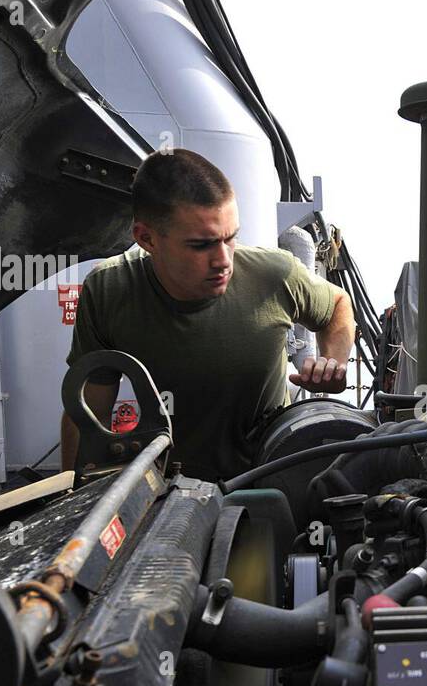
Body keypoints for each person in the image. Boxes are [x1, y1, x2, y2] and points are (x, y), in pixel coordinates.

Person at [60, 149, 355, 481]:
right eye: (202, 245)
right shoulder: (108, 291)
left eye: (231, 238)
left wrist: (335, 362)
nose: (223, 260)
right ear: (146, 238)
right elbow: (87, 413)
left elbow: (337, 307)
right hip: (171, 497)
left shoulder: (275, 274)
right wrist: (71, 499)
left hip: (270, 485)